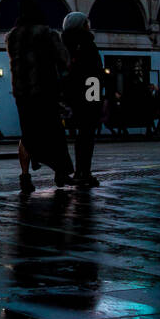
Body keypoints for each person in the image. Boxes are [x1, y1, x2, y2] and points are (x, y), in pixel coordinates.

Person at [6, 0, 73, 192]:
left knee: (27, 134)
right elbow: (64, 60)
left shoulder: (12, 36)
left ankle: (25, 177)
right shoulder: (46, 33)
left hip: (22, 94)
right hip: (45, 91)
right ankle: (61, 173)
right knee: (54, 132)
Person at [61, 11, 104, 188]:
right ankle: (83, 172)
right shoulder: (87, 44)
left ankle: (70, 172)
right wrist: (94, 101)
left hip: (69, 98)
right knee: (86, 137)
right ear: (82, 25)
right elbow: (93, 76)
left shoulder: (64, 45)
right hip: (87, 98)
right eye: (87, 23)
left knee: (74, 136)